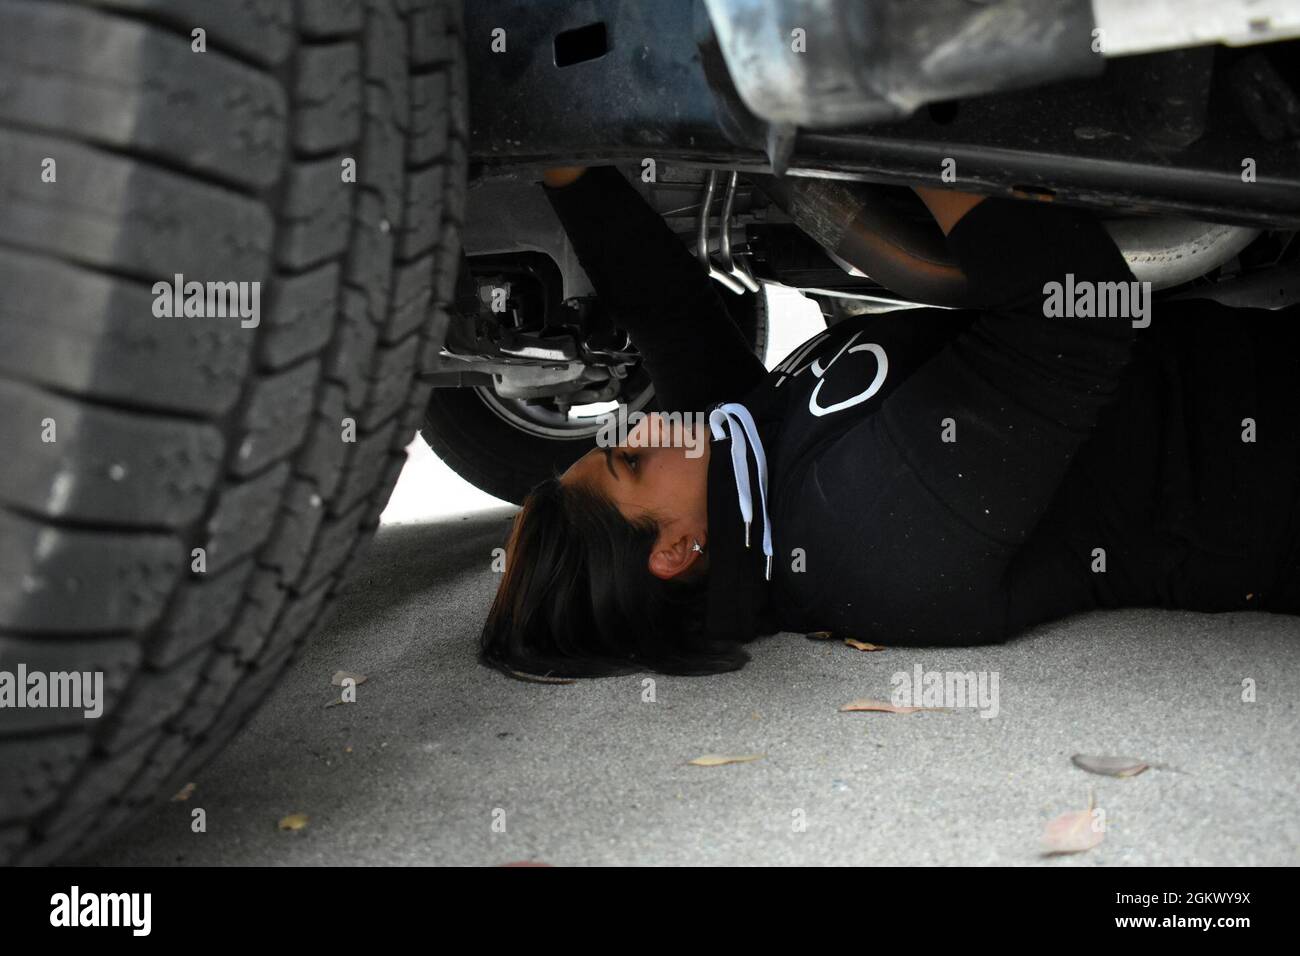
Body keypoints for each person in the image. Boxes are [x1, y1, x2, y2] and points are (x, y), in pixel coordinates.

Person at [480, 164, 1300, 678]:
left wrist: (567, 166)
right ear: (674, 550)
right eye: (628, 460)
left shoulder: (750, 492)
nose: (642, 427)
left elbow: (671, 316)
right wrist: (919, 122)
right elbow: (1077, 309)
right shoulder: (864, 542)